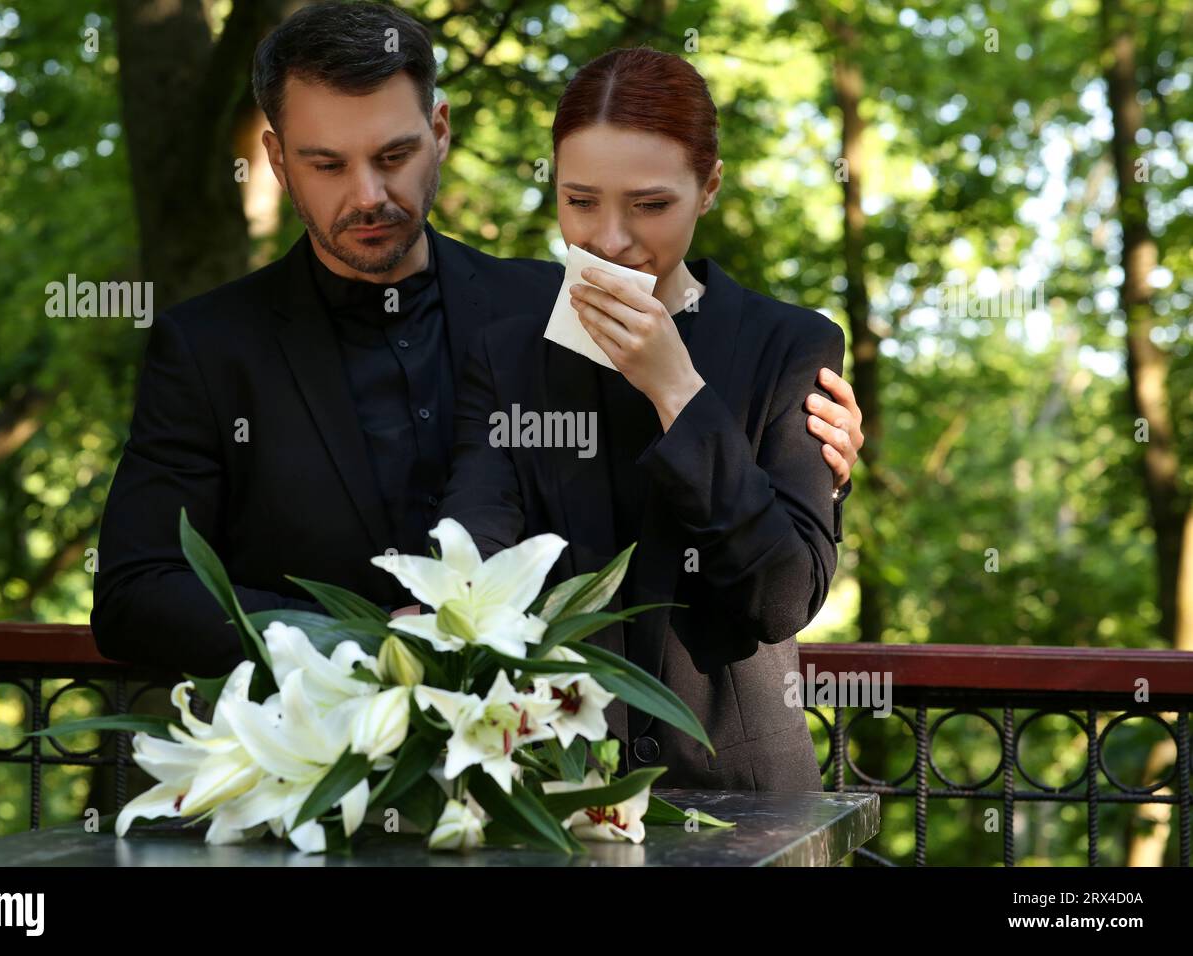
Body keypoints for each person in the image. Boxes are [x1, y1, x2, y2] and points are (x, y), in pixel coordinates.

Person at [91, 2, 863, 682]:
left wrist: (800, 462)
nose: (368, 194)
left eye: (394, 156)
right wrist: (366, 650)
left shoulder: (556, 305)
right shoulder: (206, 346)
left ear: (439, 132)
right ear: (277, 162)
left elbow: (669, 519)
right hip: (314, 768)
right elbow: (136, 593)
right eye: (327, 164)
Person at [437, 47, 849, 790]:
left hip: (742, 798)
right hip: (550, 785)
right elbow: (478, 546)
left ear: (709, 188)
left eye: (650, 205)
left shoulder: (790, 345)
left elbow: (782, 597)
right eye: (580, 201)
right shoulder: (506, 356)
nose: (610, 239)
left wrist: (677, 391)